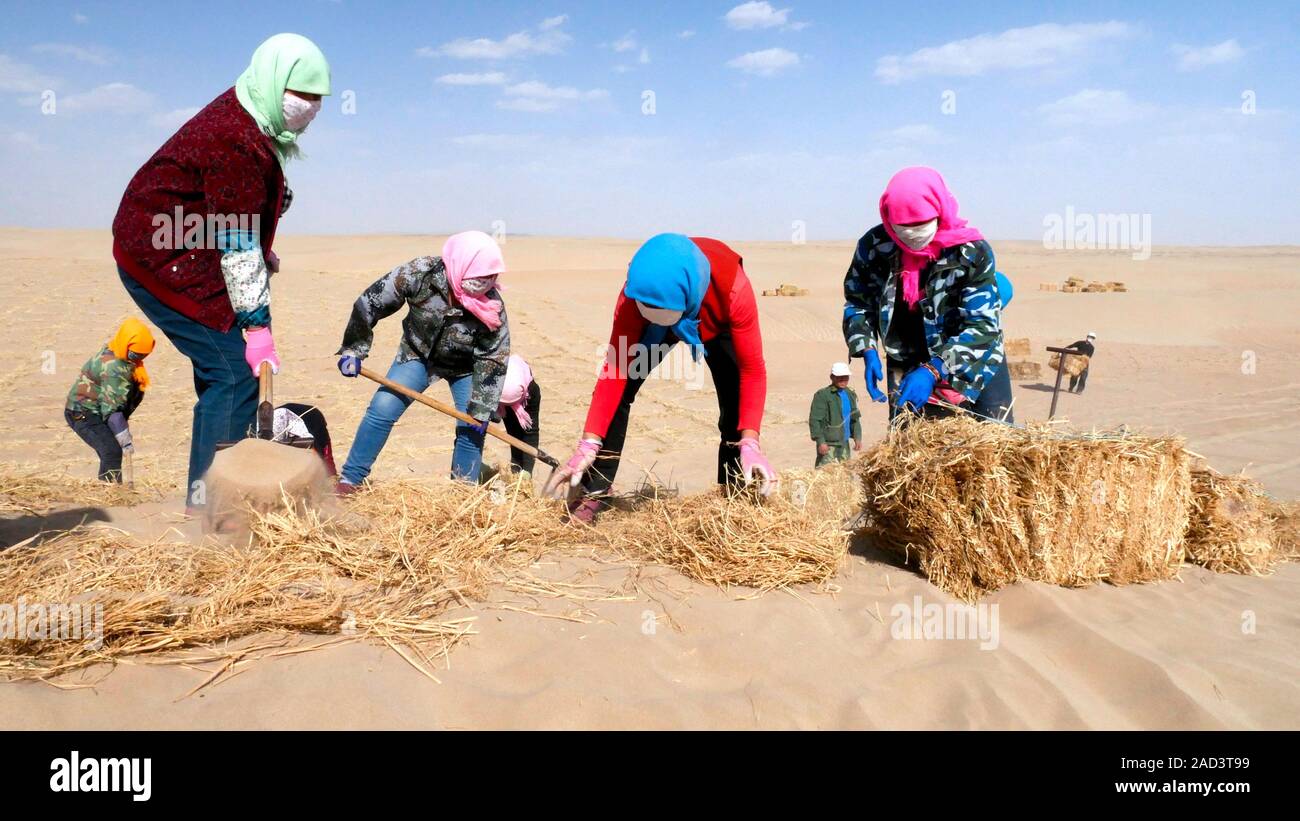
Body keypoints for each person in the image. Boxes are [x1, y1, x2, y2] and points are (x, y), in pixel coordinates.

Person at [112, 33, 330, 509]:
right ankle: (211, 507)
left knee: (222, 372)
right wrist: (257, 327)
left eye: (320, 98)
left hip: (189, 241)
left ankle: (211, 493)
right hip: (161, 253)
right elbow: (236, 241)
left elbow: (241, 208)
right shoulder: (235, 137)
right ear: (275, 85)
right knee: (232, 371)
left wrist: (256, 241)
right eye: (303, 95)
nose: (311, 108)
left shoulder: (254, 116)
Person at [543, 233, 775, 522]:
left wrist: (750, 439)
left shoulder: (733, 288)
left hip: (713, 318)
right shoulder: (635, 295)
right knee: (623, 390)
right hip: (659, 323)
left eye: (661, 315)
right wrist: (588, 443)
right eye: (648, 311)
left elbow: (752, 371)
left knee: (734, 403)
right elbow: (614, 373)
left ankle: (735, 494)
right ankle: (595, 489)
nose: (653, 316)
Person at [335, 231, 510, 489]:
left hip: (466, 368)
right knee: (382, 408)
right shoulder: (419, 273)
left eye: (490, 277)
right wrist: (353, 349)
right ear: (459, 265)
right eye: (478, 277)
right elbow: (369, 304)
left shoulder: (491, 305)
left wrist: (482, 408)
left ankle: (463, 495)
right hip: (417, 355)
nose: (484, 283)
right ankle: (350, 480)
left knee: (471, 426)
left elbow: (493, 357)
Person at [843, 166, 1014, 423]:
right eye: (903, 226)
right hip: (907, 358)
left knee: (993, 445)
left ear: (939, 211)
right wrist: (865, 347)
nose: (912, 233)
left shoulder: (970, 252)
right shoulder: (876, 247)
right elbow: (858, 302)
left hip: (972, 361)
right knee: (910, 451)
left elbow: (982, 325)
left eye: (921, 224)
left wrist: (934, 369)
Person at [64, 319, 155, 482]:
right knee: (111, 450)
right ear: (125, 343)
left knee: (111, 450)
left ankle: (113, 486)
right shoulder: (114, 367)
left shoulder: (119, 352)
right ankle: (111, 494)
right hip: (83, 413)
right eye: (135, 354)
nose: (138, 359)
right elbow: (112, 410)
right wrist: (123, 435)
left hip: (99, 410)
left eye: (143, 355)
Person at [486, 354, 542, 479]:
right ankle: (516, 469)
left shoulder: (531, 392)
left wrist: (527, 470)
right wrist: (485, 417)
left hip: (524, 394)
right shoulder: (491, 385)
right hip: (501, 392)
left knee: (527, 432)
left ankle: (525, 474)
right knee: (513, 433)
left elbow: (531, 433)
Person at [808, 362, 861, 466]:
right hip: (828, 444)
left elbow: (855, 418)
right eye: (839, 377)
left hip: (844, 443)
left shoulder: (850, 394)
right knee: (825, 475)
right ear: (832, 377)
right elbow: (815, 420)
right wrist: (820, 441)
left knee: (846, 475)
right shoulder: (822, 395)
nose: (843, 380)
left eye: (845, 377)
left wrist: (857, 437)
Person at [273, 403, 338, 477]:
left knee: (323, 461)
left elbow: (312, 445)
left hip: (310, 417)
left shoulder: (309, 427)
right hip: (287, 417)